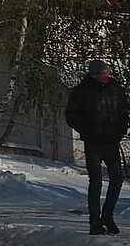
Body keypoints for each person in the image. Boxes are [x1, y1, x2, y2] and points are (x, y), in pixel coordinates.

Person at [66, 59, 130, 235]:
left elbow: (124, 112)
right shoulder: (82, 91)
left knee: (117, 179)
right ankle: (95, 222)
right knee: (96, 182)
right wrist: (86, 130)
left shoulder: (115, 89)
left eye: (108, 72)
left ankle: (108, 216)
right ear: (94, 75)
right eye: (103, 73)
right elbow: (71, 114)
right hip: (93, 142)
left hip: (111, 141)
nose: (107, 75)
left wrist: (120, 131)